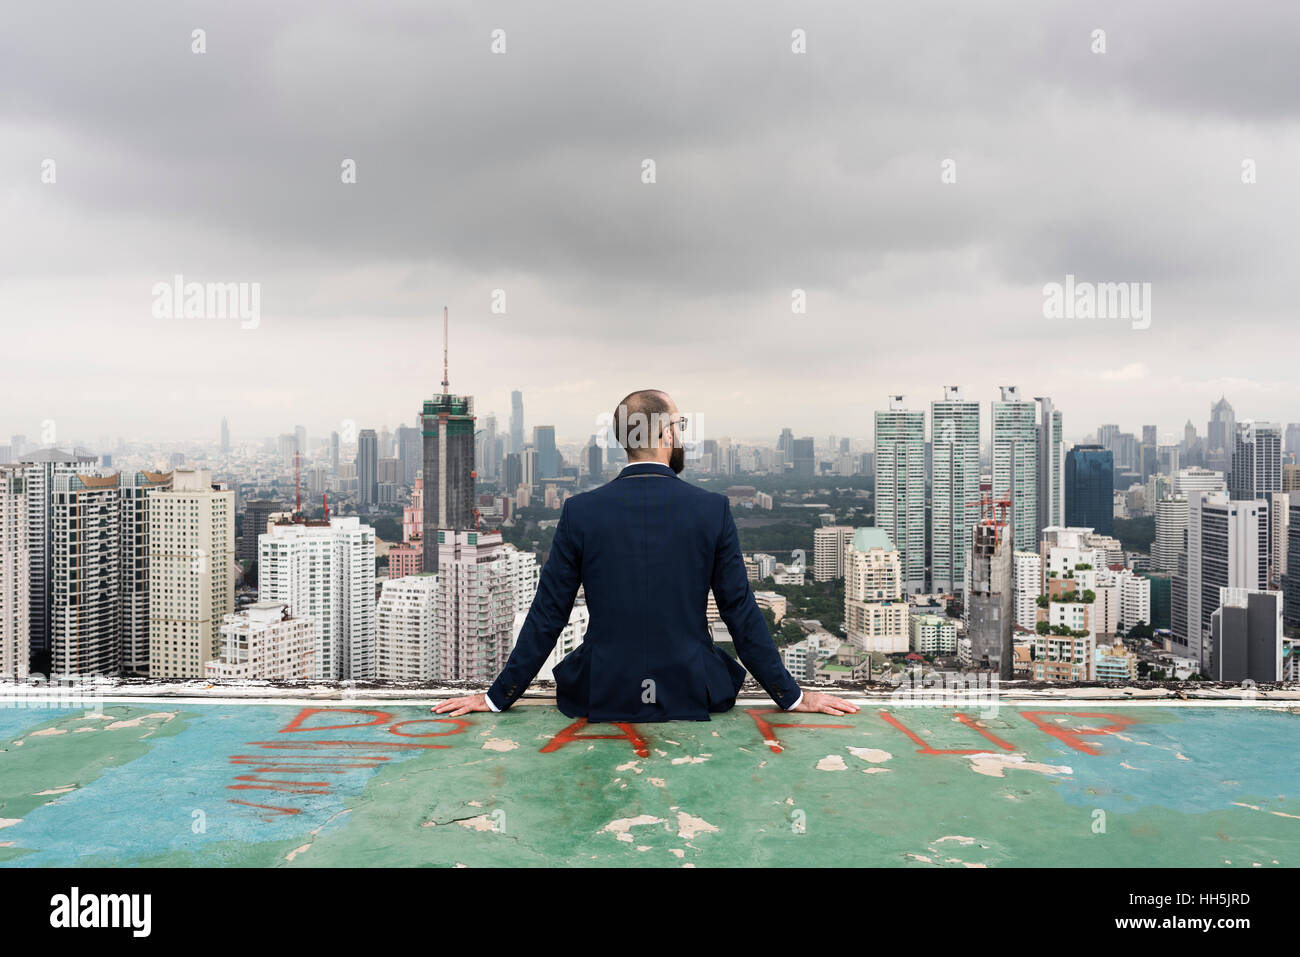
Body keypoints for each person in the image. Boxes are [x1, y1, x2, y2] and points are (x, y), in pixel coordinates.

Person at [434, 389, 858, 722]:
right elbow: (740, 612)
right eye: (681, 425)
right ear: (665, 434)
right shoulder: (711, 509)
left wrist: (496, 697)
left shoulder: (580, 511)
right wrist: (790, 696)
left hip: (601, 692)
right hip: (693, 690)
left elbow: (548, 614)